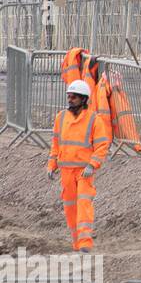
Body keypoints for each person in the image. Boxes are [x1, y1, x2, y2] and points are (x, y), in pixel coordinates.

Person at [46, 79, 110, 252]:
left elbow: (102, 145)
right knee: (70, 208)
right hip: (66, 172)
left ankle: (85, 244)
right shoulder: (61, 118)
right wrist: (52, 164)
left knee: (83, 206)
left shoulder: (93, 120)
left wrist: (92, 165)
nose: (70, 99)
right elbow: (55, 144)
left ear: (83, 99)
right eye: (69, 96)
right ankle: (76, 244)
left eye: (73, 97)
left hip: (84, 172)